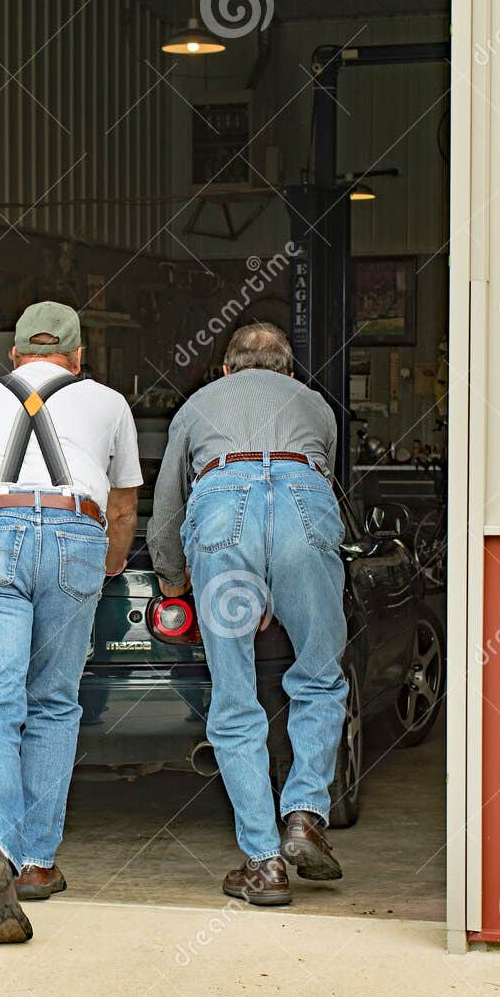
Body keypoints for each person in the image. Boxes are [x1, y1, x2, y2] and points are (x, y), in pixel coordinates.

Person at [0, 302, 141, 943]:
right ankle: (34, 863)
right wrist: (108, 566)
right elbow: (121, 504)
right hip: (73, 532)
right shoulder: (110, 402)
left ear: (14, 356)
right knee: (55, 703)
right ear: (79, 356)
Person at [147, 321, 346, 907]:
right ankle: (305, 815)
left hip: (221, 517)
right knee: (320, 676)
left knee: (235, 697)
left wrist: (174, 579)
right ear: (288, 371)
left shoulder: (199, 404)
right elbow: (324, 479)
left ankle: (263, 863)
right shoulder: (316, 406)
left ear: (227, 369)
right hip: (303, 514)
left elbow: (167, 505)